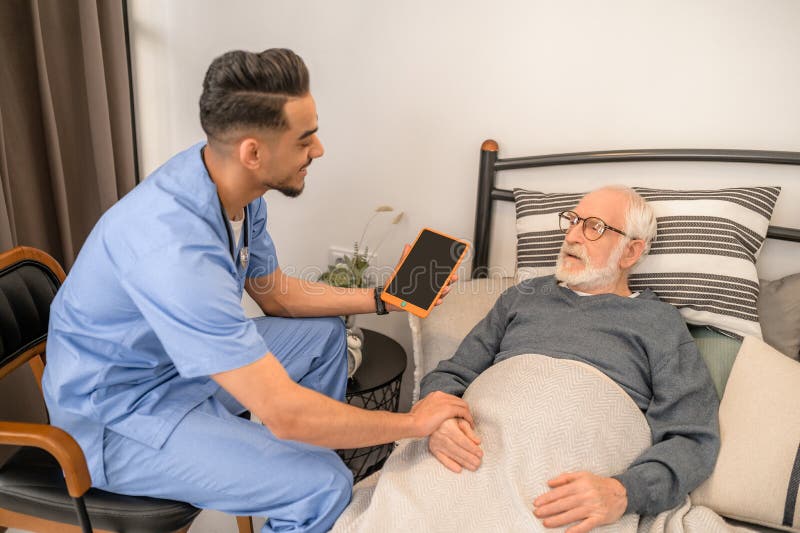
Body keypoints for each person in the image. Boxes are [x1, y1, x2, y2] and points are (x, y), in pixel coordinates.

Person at [42, 48, 473, 533]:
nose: (320, 150)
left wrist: (383, 298)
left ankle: (286, 483)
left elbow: (277, 295)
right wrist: (413, 425)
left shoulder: (232, 192)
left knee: (324, 337)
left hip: (173, 370)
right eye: (305, 139)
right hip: (118, 419)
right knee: (325, 484)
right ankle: (304, 491)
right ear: (254, 152)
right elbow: (285, 413)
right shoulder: (173, 249)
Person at [419, 186, 720, 532]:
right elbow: (452, 373)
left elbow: (693, 438)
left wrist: (625, 491)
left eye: (594, 227)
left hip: (560, 481)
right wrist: (437, 417)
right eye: (573, 221)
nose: (573, 236)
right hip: (471, 454)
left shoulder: (659, 323)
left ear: (631, 252)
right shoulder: (522, 297)